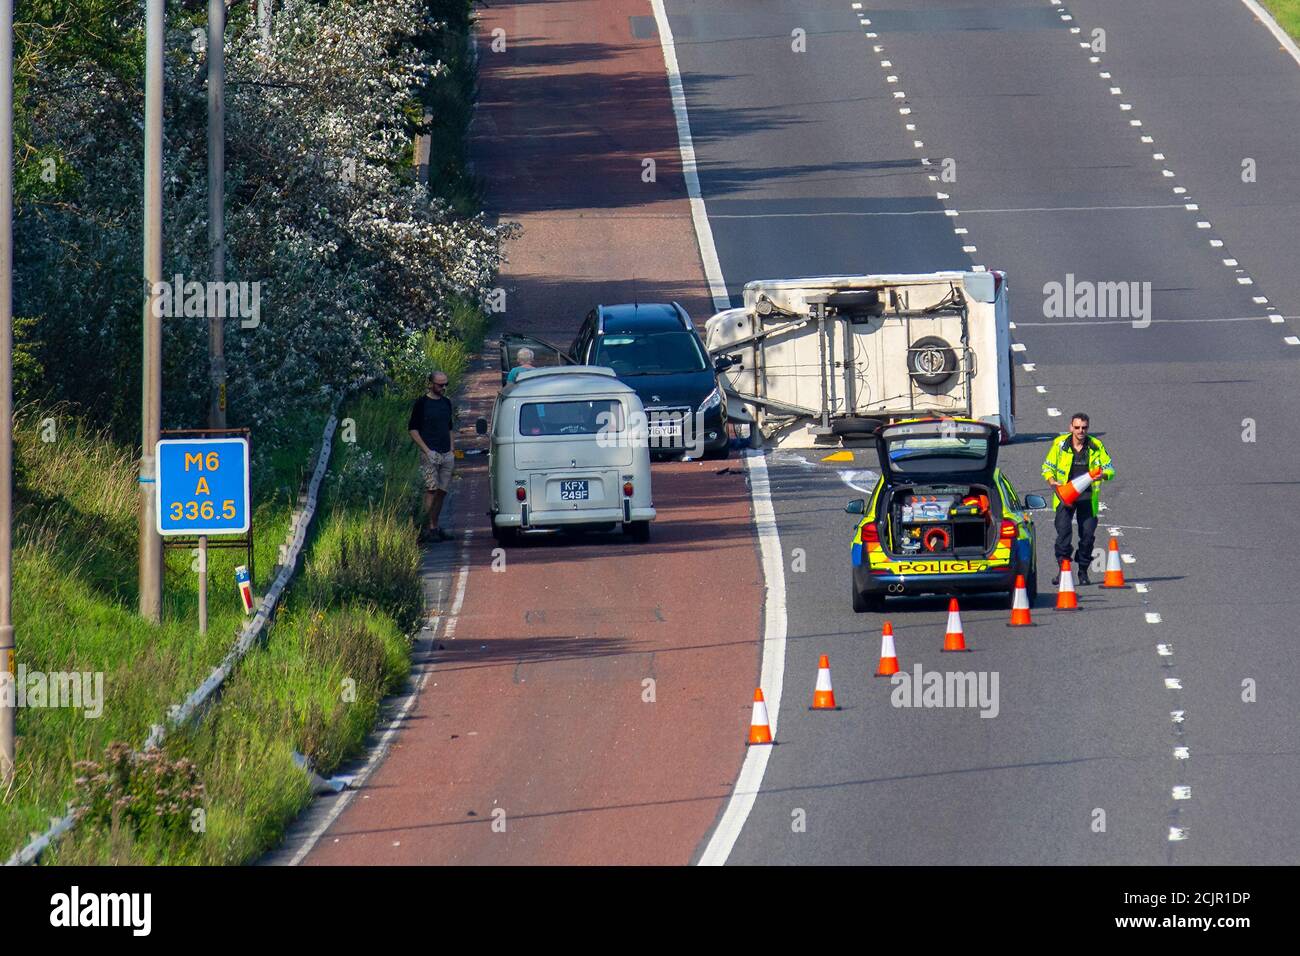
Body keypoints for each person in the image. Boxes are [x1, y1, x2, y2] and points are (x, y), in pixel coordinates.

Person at [1041, 413, 1116, 585]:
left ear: (1088, 428)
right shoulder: (1060, 445)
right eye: (1077, 428)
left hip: (1087, 497)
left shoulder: (1096, 446)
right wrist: (1053, 483)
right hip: (1065, 496)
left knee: (1088, 535)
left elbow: (1110, 469)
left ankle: (1083, 570)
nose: (1081, 431)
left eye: (1084, 428)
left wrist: (1102, 475)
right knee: (1063, 533)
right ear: (1071, 428)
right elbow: (1047, 467)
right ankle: (1063, 569)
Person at [408, 370, 456, 542]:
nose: (443, 388)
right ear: (431, 384)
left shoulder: (446, 403)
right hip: (430, 453)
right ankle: (425, 527)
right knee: (431, 489)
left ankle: (434, 525)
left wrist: (451, 449)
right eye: (440, 384)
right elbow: (413, 429)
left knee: (442, 491)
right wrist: (426, 450)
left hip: (446, 453)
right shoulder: (421, 403)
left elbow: (450, 427)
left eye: (445, 384)